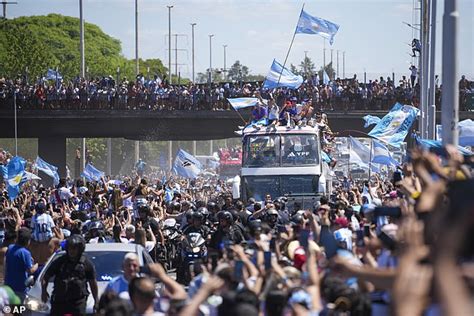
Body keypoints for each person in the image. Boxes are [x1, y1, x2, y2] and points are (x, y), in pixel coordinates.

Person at [41, 234, 98, 315]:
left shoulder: (86, 263)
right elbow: (45, 277)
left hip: (78, 302)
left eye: (75, 248)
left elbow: (93, 282)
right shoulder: (59, 262)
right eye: (70, 248)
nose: (72, 251)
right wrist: (44, 291)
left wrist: (96, 300)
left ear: (80, 249)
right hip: (59, 301)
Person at [4, 228, 38, 299]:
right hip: (20, 289)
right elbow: (30, 270)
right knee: (21, 308)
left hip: (8, 286)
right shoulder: (25, 253)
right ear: (28, 241)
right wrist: (37, 265)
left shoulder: (10, 248)